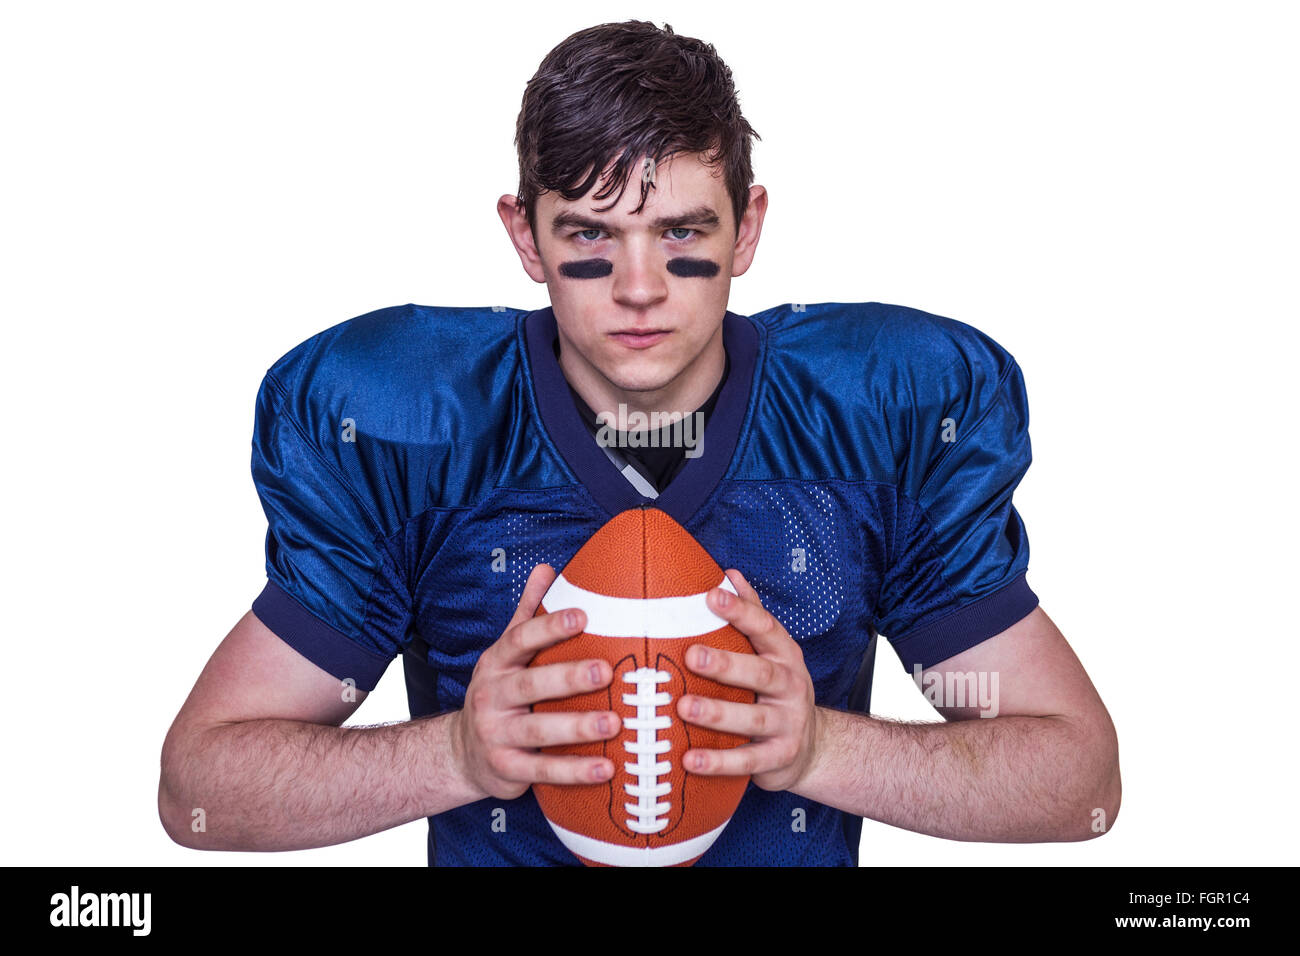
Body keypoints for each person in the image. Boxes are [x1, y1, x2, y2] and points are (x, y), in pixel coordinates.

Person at [158, 19, 1120, 865]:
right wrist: (454, 755)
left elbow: (1079, 785)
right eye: (590, 236)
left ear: (748, 229)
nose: (640, 287)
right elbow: (200, 791)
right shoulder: (413, 428)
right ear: (524, 238)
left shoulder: (875, 418)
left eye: (681, 232)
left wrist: (821, 748)